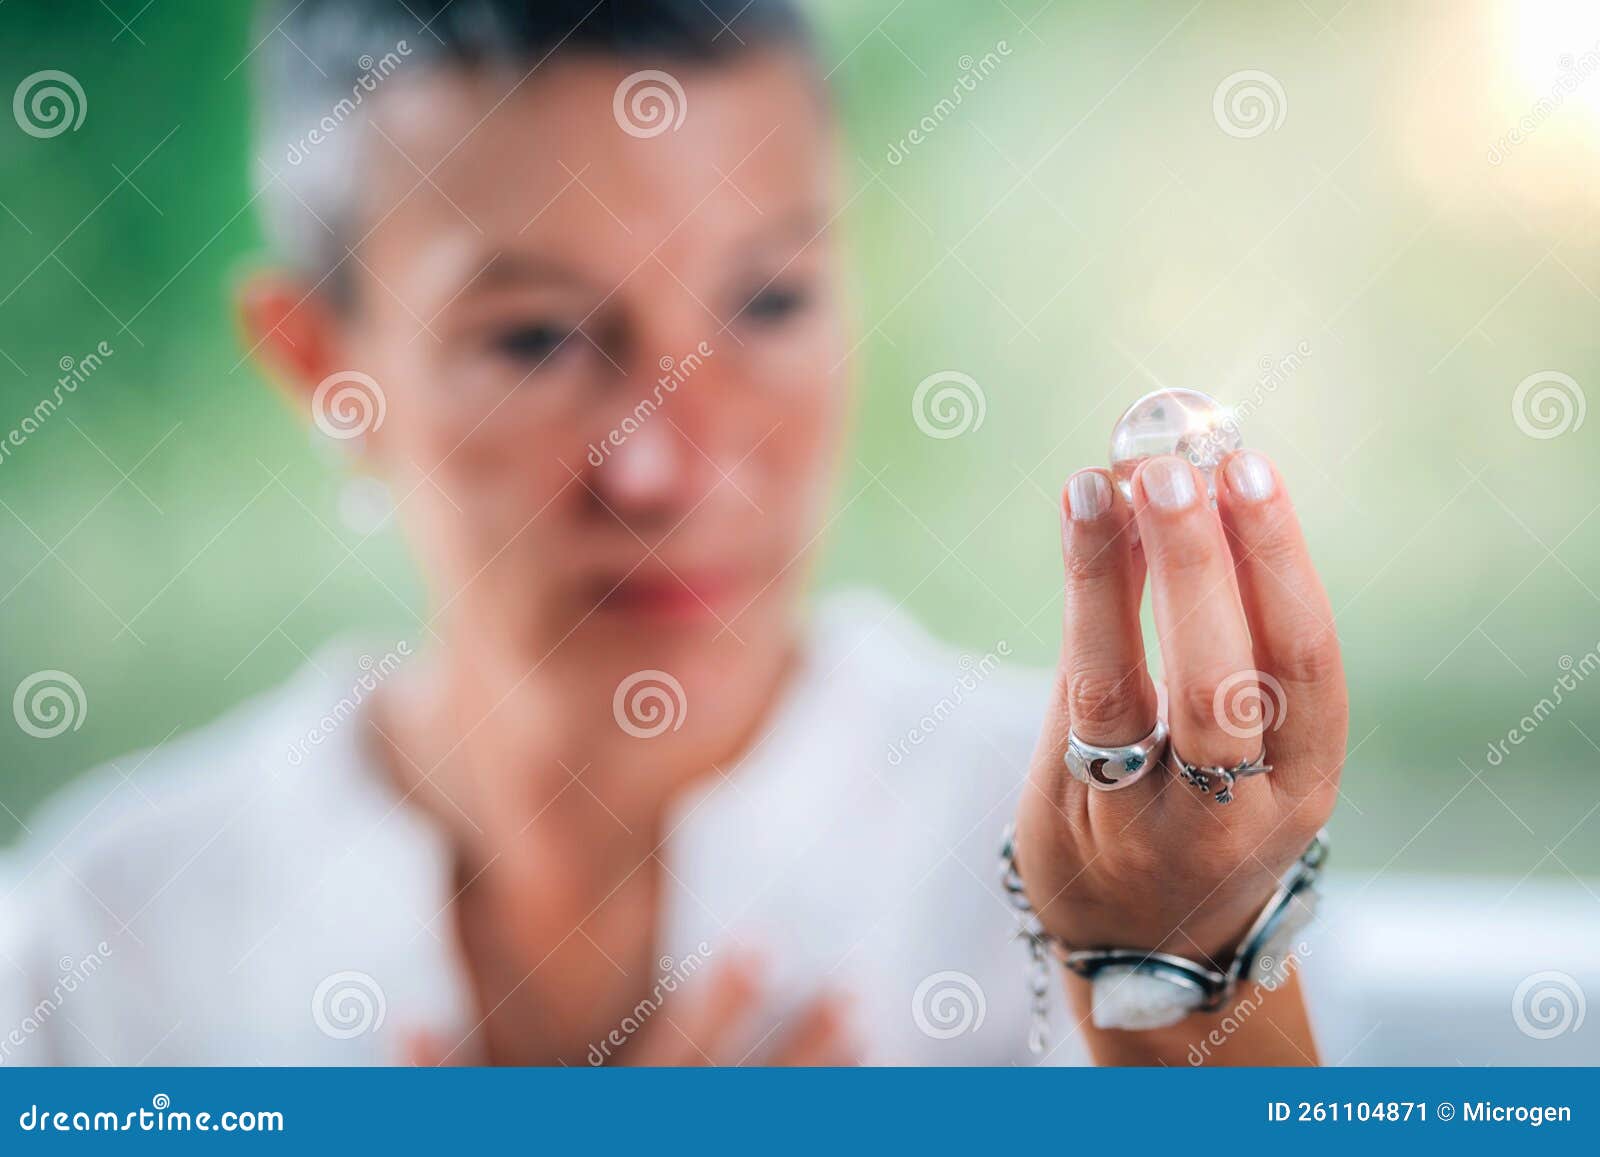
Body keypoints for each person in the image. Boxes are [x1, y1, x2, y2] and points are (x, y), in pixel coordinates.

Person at [0, 0, 1346, 1067]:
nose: (665, 464)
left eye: (766, 303)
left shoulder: (1138, 870)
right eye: (533, 338)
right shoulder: (111, 930)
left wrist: (1175, 972)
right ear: (319, 370)